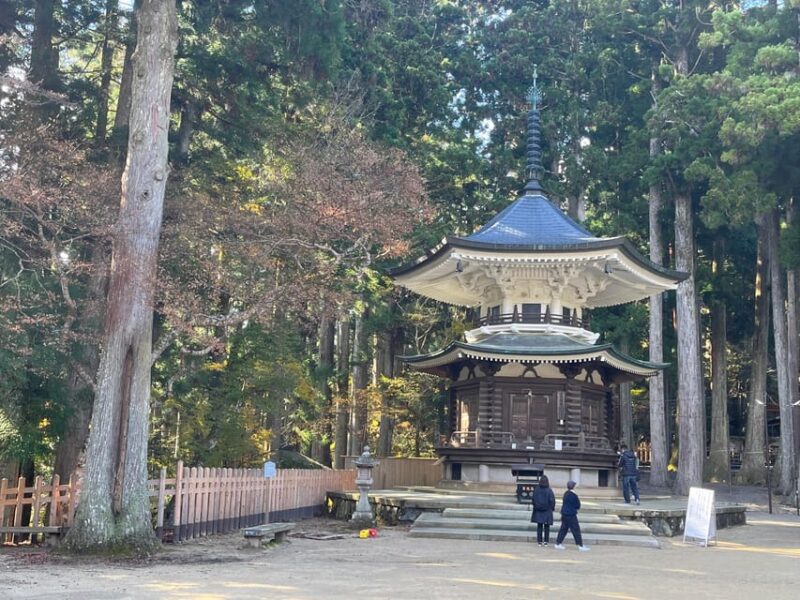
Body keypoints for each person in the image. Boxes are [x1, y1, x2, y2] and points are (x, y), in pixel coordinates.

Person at [554, 480, 590, 551]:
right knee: (576, 529)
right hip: (571, 514)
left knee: (563, 529)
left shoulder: (565, 493)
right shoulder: (574, 495)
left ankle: (558, 543)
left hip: (564, 513)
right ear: (573, 487)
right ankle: (580, 545)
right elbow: (578, 505)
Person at [530, 474, 555, 546]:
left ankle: (539, 541)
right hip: (547, 511)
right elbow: (552, 500)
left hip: (538, 510)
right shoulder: (549, 490)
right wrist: (551, 508)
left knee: (539, 526)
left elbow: (533, 499)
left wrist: (536, 506)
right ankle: (546, 541)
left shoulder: (537, 489)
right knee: (547, 527)